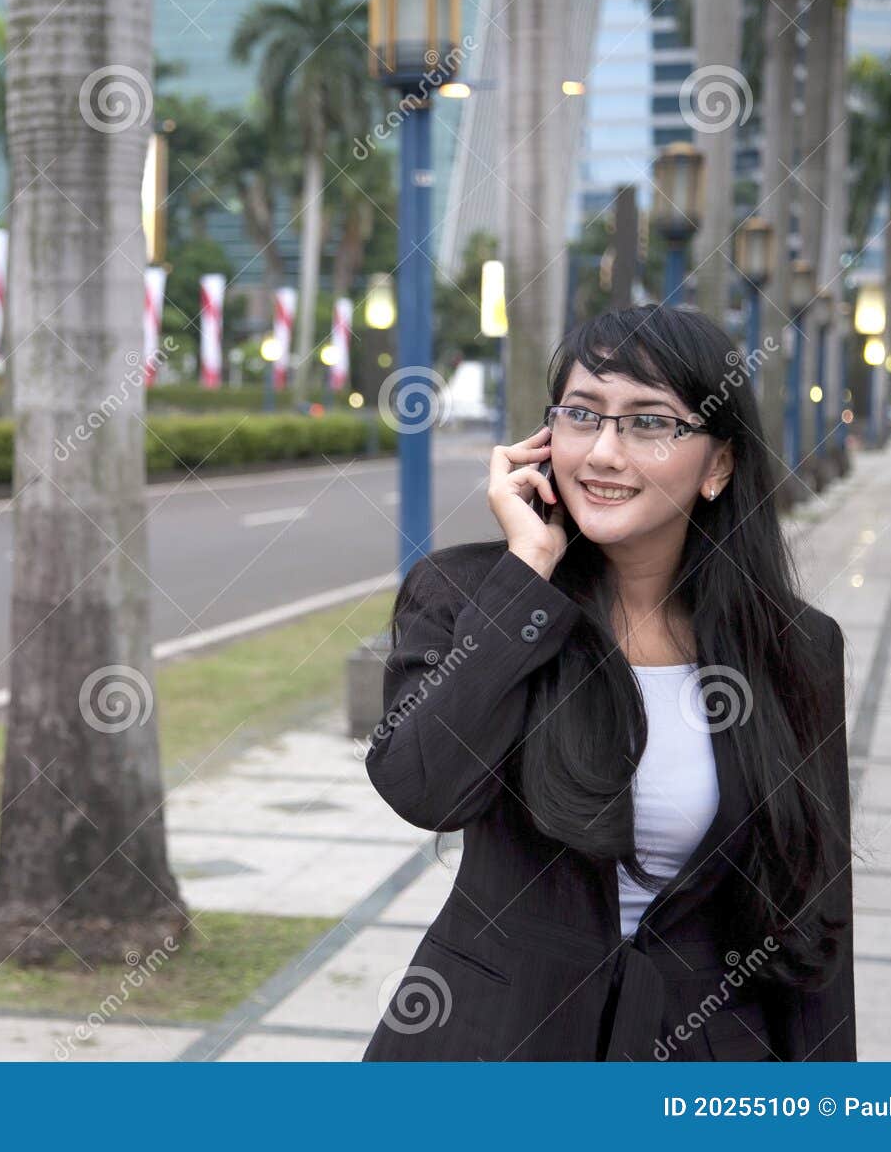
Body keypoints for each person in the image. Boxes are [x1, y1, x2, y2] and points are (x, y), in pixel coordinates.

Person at [362, 304, 856, 1062]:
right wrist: (527, 572)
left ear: (719, 464)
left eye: (649, 422)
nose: (603, 452)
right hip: (493, 1047)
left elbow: (814, 913)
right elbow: (423, 786)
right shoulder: (468, 595)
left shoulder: (794, 646)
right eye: (582, 415)